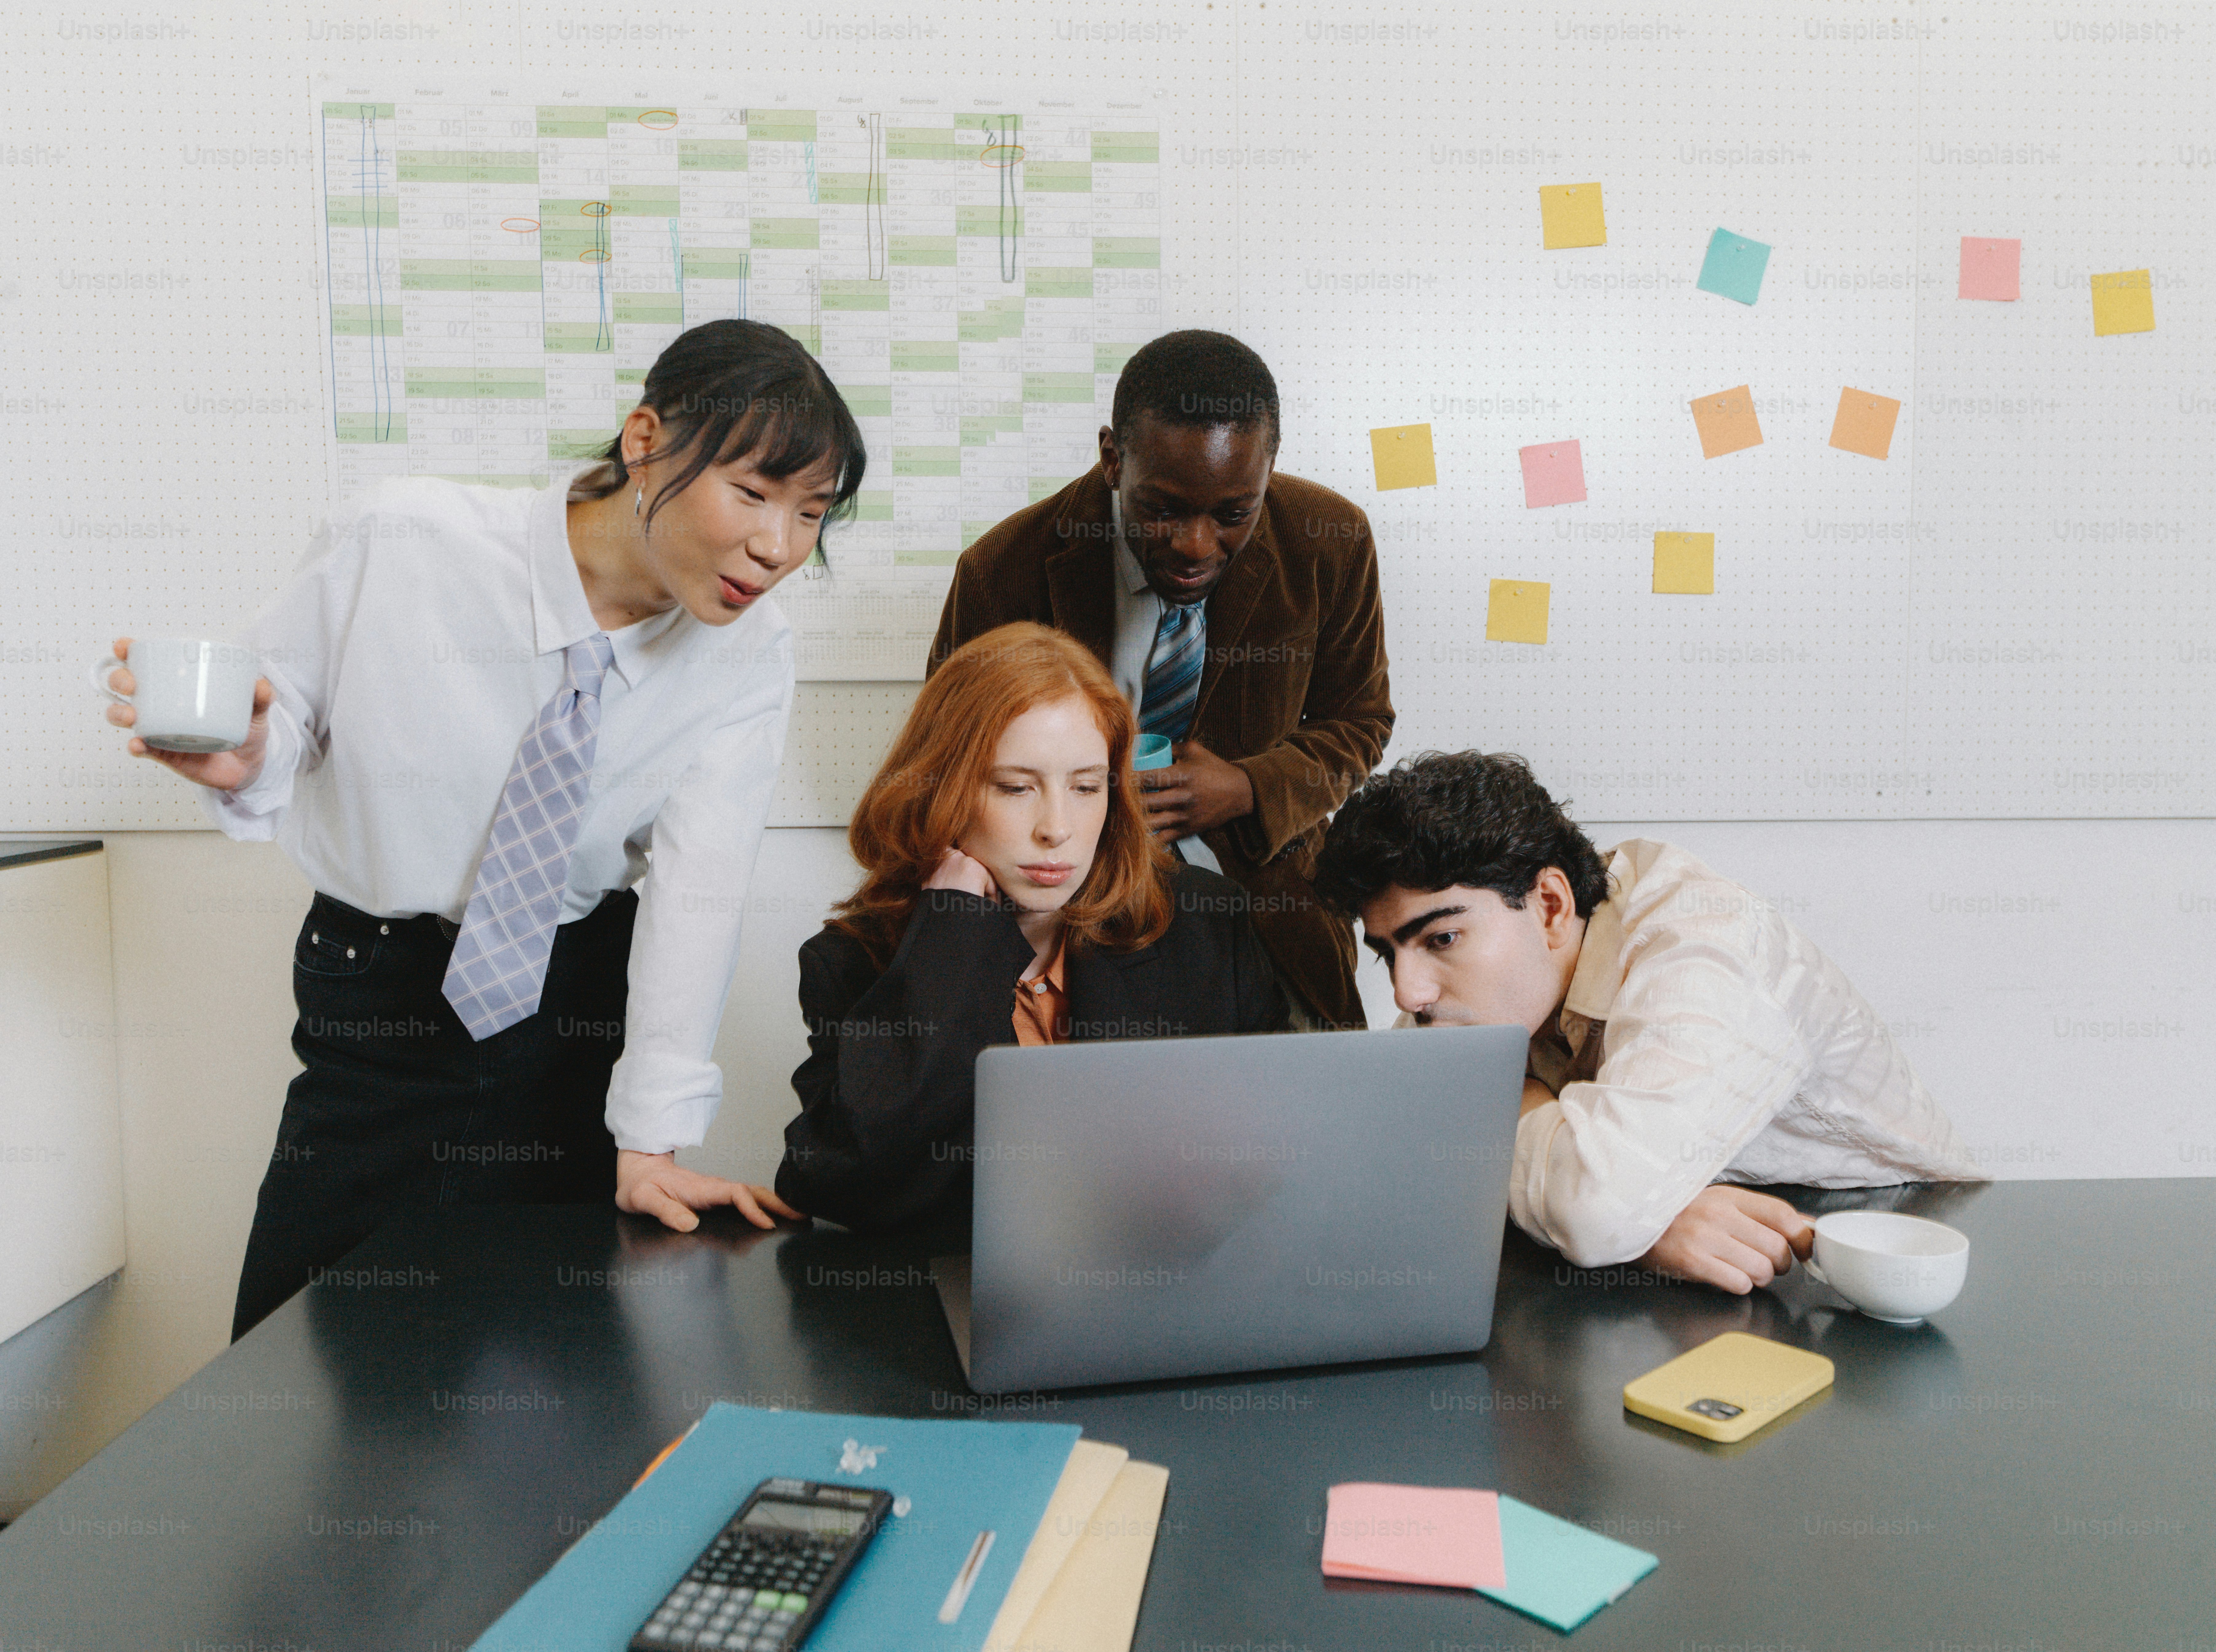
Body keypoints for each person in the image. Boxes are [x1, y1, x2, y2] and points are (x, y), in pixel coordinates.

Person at [99, 320, 860, 1338]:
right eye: (754, 493)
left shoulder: (750, 649)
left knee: (554, 1368)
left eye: (811, 512)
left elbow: (698, 891)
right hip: (383, 997)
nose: (778, 547)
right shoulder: (404, 538)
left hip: (573, 1007)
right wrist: (248, 759)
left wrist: (651, 1139)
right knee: (312, 1349)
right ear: (645, 442)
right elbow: (284, 718)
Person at [1311, 751, 1986, 1294]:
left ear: (1550, 906)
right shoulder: (1484, 990)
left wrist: (1523, 1102)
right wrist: (1655, 1223)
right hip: (1721, 1253)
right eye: (1389, 952)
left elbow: (1594, 1209)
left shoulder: (1706, 943)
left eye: (1441, 940)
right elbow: (1404, 1126)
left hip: (1882, 1242)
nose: (1407, 992)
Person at [927, 330, 1392, 1032]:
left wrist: (1249, 788)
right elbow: (949, 759)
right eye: (1163, 510)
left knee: (1293, 1095)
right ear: (1112, 459)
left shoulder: (1330, 540)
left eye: (1233, 514)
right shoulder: (1003, 569)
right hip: (1063, 921)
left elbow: (1360, 721)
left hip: (1269, 910)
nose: (1194, 547)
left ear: (1269, 469)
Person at [776, 622, 1288, 1233]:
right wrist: (953, 939)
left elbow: (1277, 1160)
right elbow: (845, 1183)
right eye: (1016, 788)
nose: (1057, 828)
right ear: (942, 789)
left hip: (1172, 1275)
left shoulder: (1205, 923)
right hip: (961, 1286)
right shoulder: (850, 961)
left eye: (1086, 787)